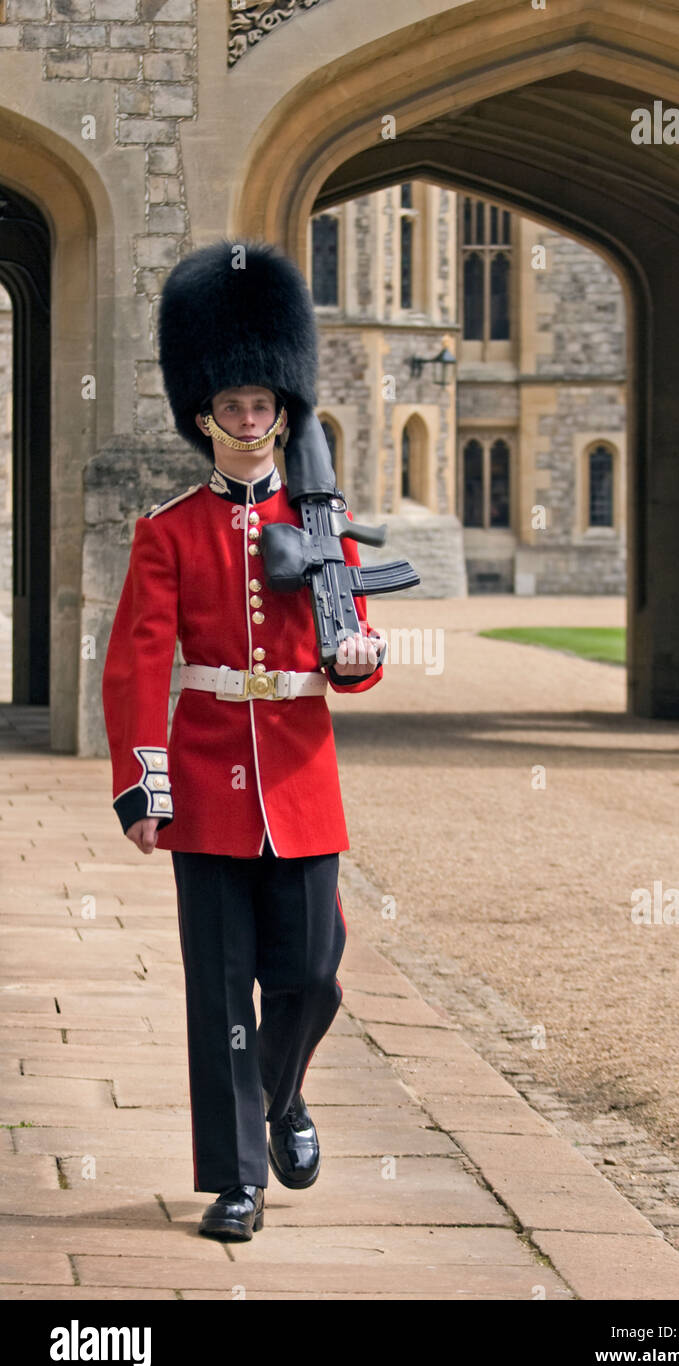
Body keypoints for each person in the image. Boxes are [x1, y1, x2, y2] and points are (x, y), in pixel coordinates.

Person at [101, 241, 387, 1241]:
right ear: (205, 413)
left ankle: (282, 1094)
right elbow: (137, 662)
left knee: (311, 971)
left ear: (281, 406)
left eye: (266, 399)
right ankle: (236, 1179)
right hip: (210, 788)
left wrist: (358, 655)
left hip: (302, 775)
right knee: (219, 987)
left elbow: (353, 642)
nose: (252, 414)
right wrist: (144, 783)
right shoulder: (170, 532)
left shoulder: (324, 525)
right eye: (234, 401)